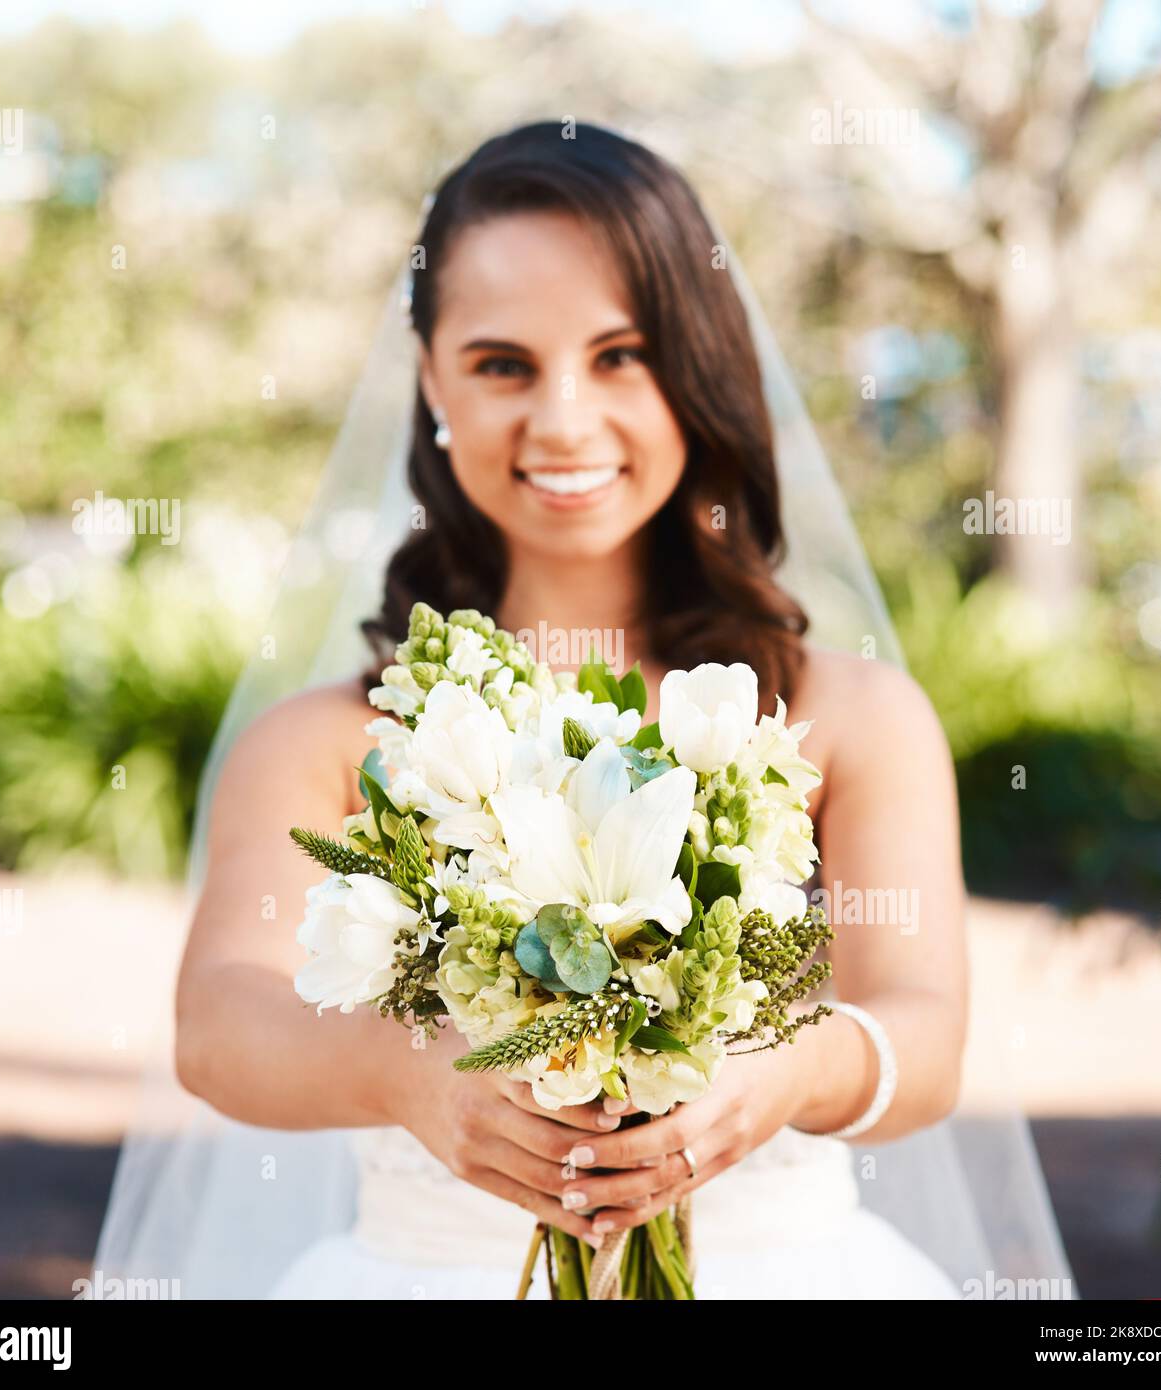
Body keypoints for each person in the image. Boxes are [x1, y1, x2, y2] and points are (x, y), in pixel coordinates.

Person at [99, 120, 1077, 1300]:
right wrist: (413, 1076)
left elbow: (924, 1038)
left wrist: (782, 1077)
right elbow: (217, 1026)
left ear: (697, 365)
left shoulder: (854, 717)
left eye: (621, 355)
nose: (563, 420)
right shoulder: (321, 745)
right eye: (503, 363)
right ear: (431, 382)